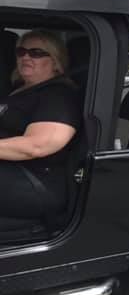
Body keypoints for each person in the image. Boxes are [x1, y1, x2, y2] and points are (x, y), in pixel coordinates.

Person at [0, 30, 82, 221]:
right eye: (21, 52)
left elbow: (37, 145)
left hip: (34, 180)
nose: (26, 57)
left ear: (55, 61)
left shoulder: (58, 96)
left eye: (36, 53)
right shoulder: (18, 91)